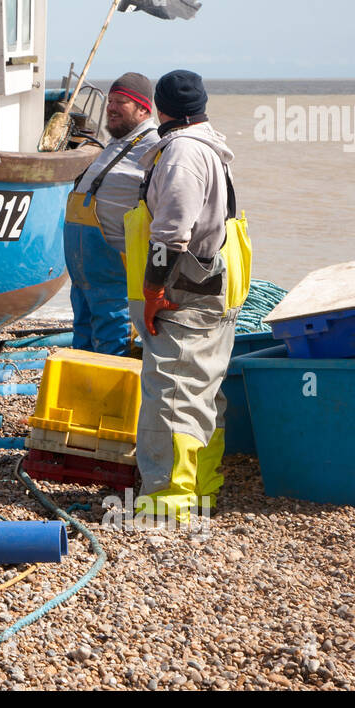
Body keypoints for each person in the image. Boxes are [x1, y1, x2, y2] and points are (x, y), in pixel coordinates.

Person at [123, 70, 247, 524]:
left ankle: (166, 505)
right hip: (212, 290)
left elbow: (171, 235)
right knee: (204, 391)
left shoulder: (181, 154)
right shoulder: (211, 145)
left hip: (182, 295)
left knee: (172, 395)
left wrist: (153, 291)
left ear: (158, 108)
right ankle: (201, 491)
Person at [63, 72, 159, 354]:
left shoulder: (153, 145)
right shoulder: (117, 141)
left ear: (144, 109)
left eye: (121, 102)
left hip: (112, 267)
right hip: (85, 269)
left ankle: (110, 396)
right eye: (110, 101)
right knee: (82, 331)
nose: (111, 108)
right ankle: (81, 391)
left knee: (111, 339)